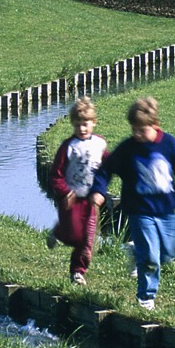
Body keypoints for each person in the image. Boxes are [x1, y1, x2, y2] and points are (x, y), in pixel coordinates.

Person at [90, 96, 175, 311]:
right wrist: (98, 190)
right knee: (151, 257)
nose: (137, 135)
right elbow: (106, 169)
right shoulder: (128, 148)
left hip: (166, 211)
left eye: (141, 130)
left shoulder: (169, 144)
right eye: (134, 129)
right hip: (139, 211)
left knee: (167, 254)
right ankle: (146, 297)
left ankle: (136, 253)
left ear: (155, 125)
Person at [46, 96, 109, 285]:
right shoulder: (68, 147)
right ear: (73, 125)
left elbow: (108, 166)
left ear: (93, 123)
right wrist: (64, 192)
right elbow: (56, 174)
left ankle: (78, 272)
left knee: (87, 239)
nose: (82, 129)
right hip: (71, 198)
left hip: (90, 200)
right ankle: (58, 232)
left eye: (86, 124)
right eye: (78, 125)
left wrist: (103, 189)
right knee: (74, 235)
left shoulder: (99, 144)